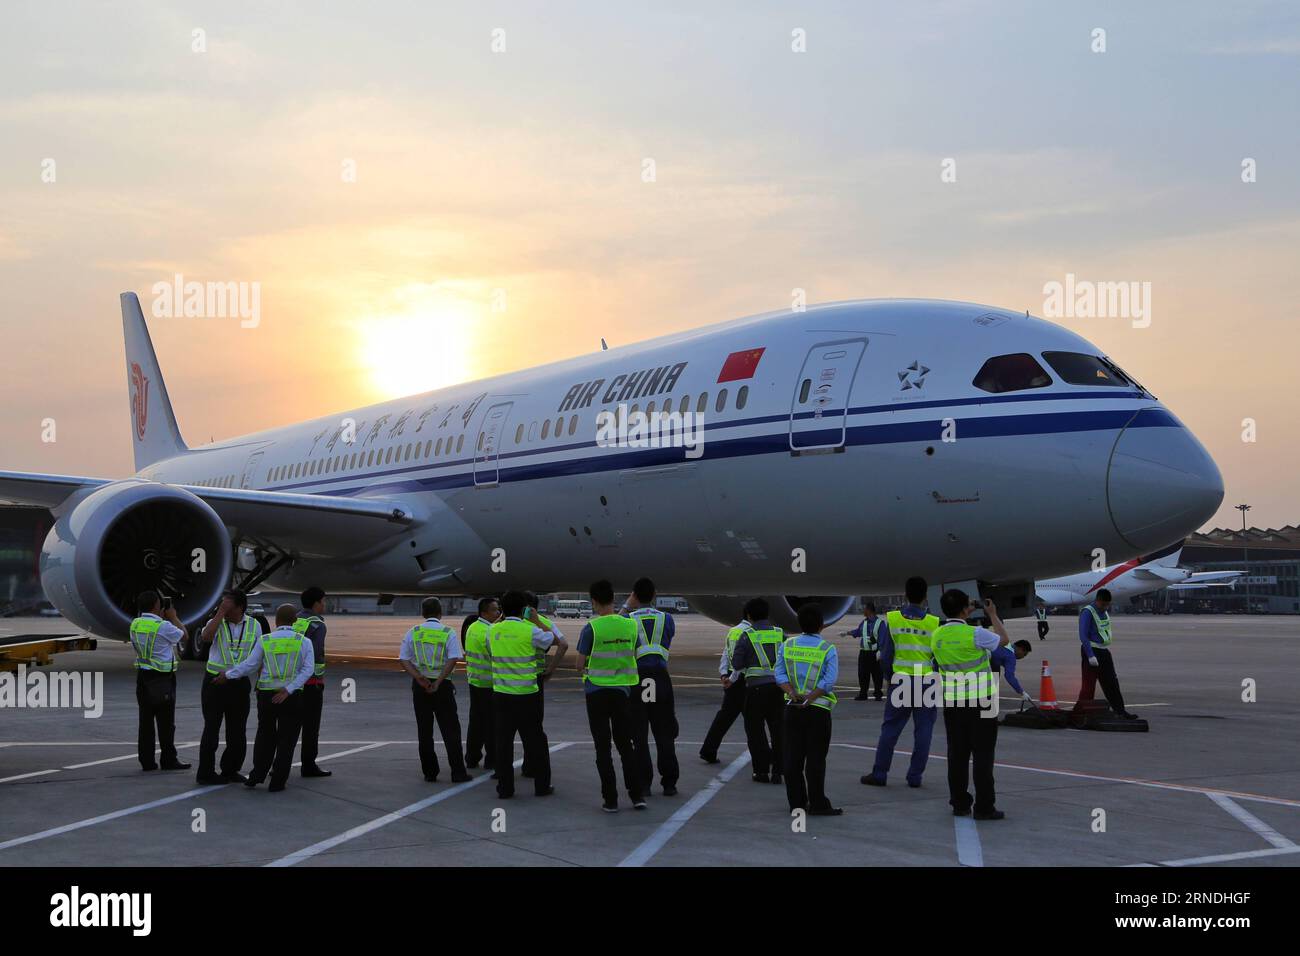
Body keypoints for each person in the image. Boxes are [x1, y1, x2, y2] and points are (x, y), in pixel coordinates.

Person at [215, 603, 314, 792]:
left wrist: (227, 675)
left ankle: (256, 775)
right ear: (295, 621)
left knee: (264, 736)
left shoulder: (265, 640)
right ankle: (277, 782)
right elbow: (308, 669)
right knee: (287, 740)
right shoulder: (304, 641)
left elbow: (250, 665)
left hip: (267, 695)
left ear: (276, 621)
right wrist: (289, 688)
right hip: (290, 697)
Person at [931, 590, 1009, 820]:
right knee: (983, 755)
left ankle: (959, 803)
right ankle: (985, 806)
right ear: (967, 609)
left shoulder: (937, 635)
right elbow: (1004, 640)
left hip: (953, 702)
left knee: (957, 755)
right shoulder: (975, 633)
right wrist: (992, 614)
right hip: (981, 702)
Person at [861, 576, 940, 789]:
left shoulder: (893, 619)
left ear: (905, 595)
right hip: (926, 681)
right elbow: (937, 656)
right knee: (924, 731)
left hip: (901, 679)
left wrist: (889, 677)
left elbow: (886, 655)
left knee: (891, 729)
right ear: (925, 597)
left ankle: (880, 773)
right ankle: (915, 777)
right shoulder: (934, 623)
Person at [488, 590, 567, 798]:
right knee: (536, 741)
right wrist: (536, 621)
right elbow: (553, 640)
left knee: (503, 742)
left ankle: (505, 788)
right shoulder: (530, 631)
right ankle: (541, 786)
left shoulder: (492, 631)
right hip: (527, 694)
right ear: (524, 608)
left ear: (502, 608)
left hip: (502, 694)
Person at [575, 579, 645, 812]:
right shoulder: (630, 625)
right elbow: (635, 651)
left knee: (602, 748)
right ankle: (637, 795)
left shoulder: (591, 628)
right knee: (626, 746)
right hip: (624, 691)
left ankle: (611, 799)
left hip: (596, 692)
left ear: (593, 601)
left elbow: (578, 664)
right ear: (612, 599)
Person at [775, 603, 842, 816]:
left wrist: (794, 695)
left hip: (792, 708)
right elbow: (829, 682)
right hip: (818, 710)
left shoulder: (787, 645)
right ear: (822, 625)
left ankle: (796, 802)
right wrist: (810, 698)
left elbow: (779, 675)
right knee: (815, 759)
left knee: (792, 759)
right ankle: (818, 803)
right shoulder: (827, 649)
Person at [399, 597, 472, 783]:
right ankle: (458, 772)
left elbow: (404, 659)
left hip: (420, 686)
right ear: (441, 612)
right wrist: (438, 681)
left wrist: (419, 678)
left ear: (423, 613)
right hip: (442, 686)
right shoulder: (447, 632)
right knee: (451, 731)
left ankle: (430, 772)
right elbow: (453, 658)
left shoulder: (413, 632)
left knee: (424, 731)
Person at [196, 589, 261, 784]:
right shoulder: (218, 621)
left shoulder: (254, 625)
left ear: (240, 607)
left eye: (227, 605)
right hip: (214, 682)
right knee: (211, 728)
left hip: (239, 683)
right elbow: (206, 637)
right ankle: (205, 773)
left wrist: (260, 680)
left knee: (237, 730)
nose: (223, 607)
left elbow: (259, 655)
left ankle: (230, 769)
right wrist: (220, 613)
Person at [624, 577, 680, 796]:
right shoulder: (667, 618)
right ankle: (669, 782)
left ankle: (644, 783)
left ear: (634, 595)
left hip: (638, 677)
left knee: (639, 734)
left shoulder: (628, 619)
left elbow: (616, 628)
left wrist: (628, 606)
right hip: (660, 676)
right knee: (664, 732)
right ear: (655, 595)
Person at [129, 590, 190, 772]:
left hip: (143, 677)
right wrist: (174, 617)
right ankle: (168, 759)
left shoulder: (135, 623)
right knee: (166, 723)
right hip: (162, 678)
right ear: (157, 606)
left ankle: (147, 761)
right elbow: (184, 636)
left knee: (145, 722)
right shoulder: (163, 626)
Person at [729, 598, 785, 785]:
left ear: (749, 615)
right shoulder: (780, 634)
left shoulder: (747, 635)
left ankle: (761, 771)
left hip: (756, 689)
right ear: (768, 614)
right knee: (778, 731)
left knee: (755, 732)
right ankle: (778, 771)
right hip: (779, 689)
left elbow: (736, 663)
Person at [699, 608, 754, 765]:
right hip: (742, 679)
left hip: (731, 678)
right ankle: (761, 753)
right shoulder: (750, 633)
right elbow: (740, 662)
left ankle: (708, 750)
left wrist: (724, 674)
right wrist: (732, 678)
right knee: (752, 720)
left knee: (724, 717)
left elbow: (726, 653)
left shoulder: (733, 631)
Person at [521, 592, 564, 778]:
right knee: (534, 727)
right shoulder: (544, 624)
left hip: (508, 682)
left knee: (507, 728)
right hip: (534, 680)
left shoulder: (507, 624)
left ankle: (503, 769)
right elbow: (562, 644)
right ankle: (533, 767)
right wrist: (551, 669)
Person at [1079, 588, 1139, 719]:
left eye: (1108, 604)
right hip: (1092, 651)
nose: (1106, 607)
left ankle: (1120, 711)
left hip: (1104, 651)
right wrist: (1090, 655)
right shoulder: (1087, 612)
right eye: (1104, 604)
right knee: (1088, 685)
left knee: (1112, 683)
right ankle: (1081, 713)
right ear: (1098, 600)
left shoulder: (1104, 612)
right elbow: (1083, 636)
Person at [293, 586, 332, 778]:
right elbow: (316, 654)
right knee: (310, 727)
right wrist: (318, 679)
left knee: (289, 726)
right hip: (310, 683)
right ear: (316, 603)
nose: (324, 605)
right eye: (323, 601)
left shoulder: (294, 620)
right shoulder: (317, 624)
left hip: (291, 682)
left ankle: (279, 763)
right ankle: (308, 765)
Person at [462, 596, 501, 773]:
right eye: (494, 609)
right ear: (484, 612)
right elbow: (496, 656)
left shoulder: (472, 627)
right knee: (492, 724)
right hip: (489, 683)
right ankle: (491, 760)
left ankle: (471, 757)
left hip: (474, 681)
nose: (498, 612)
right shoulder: (490, 631)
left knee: (475, 722)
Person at [846, 601, 884, 700]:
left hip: (875, 653)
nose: (863, 611)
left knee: (877, 674)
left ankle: (878, 693)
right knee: (863, 674)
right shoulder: (864, 622)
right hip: (864, 653)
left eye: (865, 609)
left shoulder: (880, 623)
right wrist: (847, 633)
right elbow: (858, 632)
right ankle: (863, 693)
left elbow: (883, 638)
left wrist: (881, 650)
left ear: (869, 610)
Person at [992, 639, 1034, 708]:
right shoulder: (1010, 656)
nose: (1023, 657)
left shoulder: (1005, 644)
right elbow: (1009, 676)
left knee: (996, 668)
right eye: (1024, 654)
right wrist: (1022, 692)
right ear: (1020, 649)